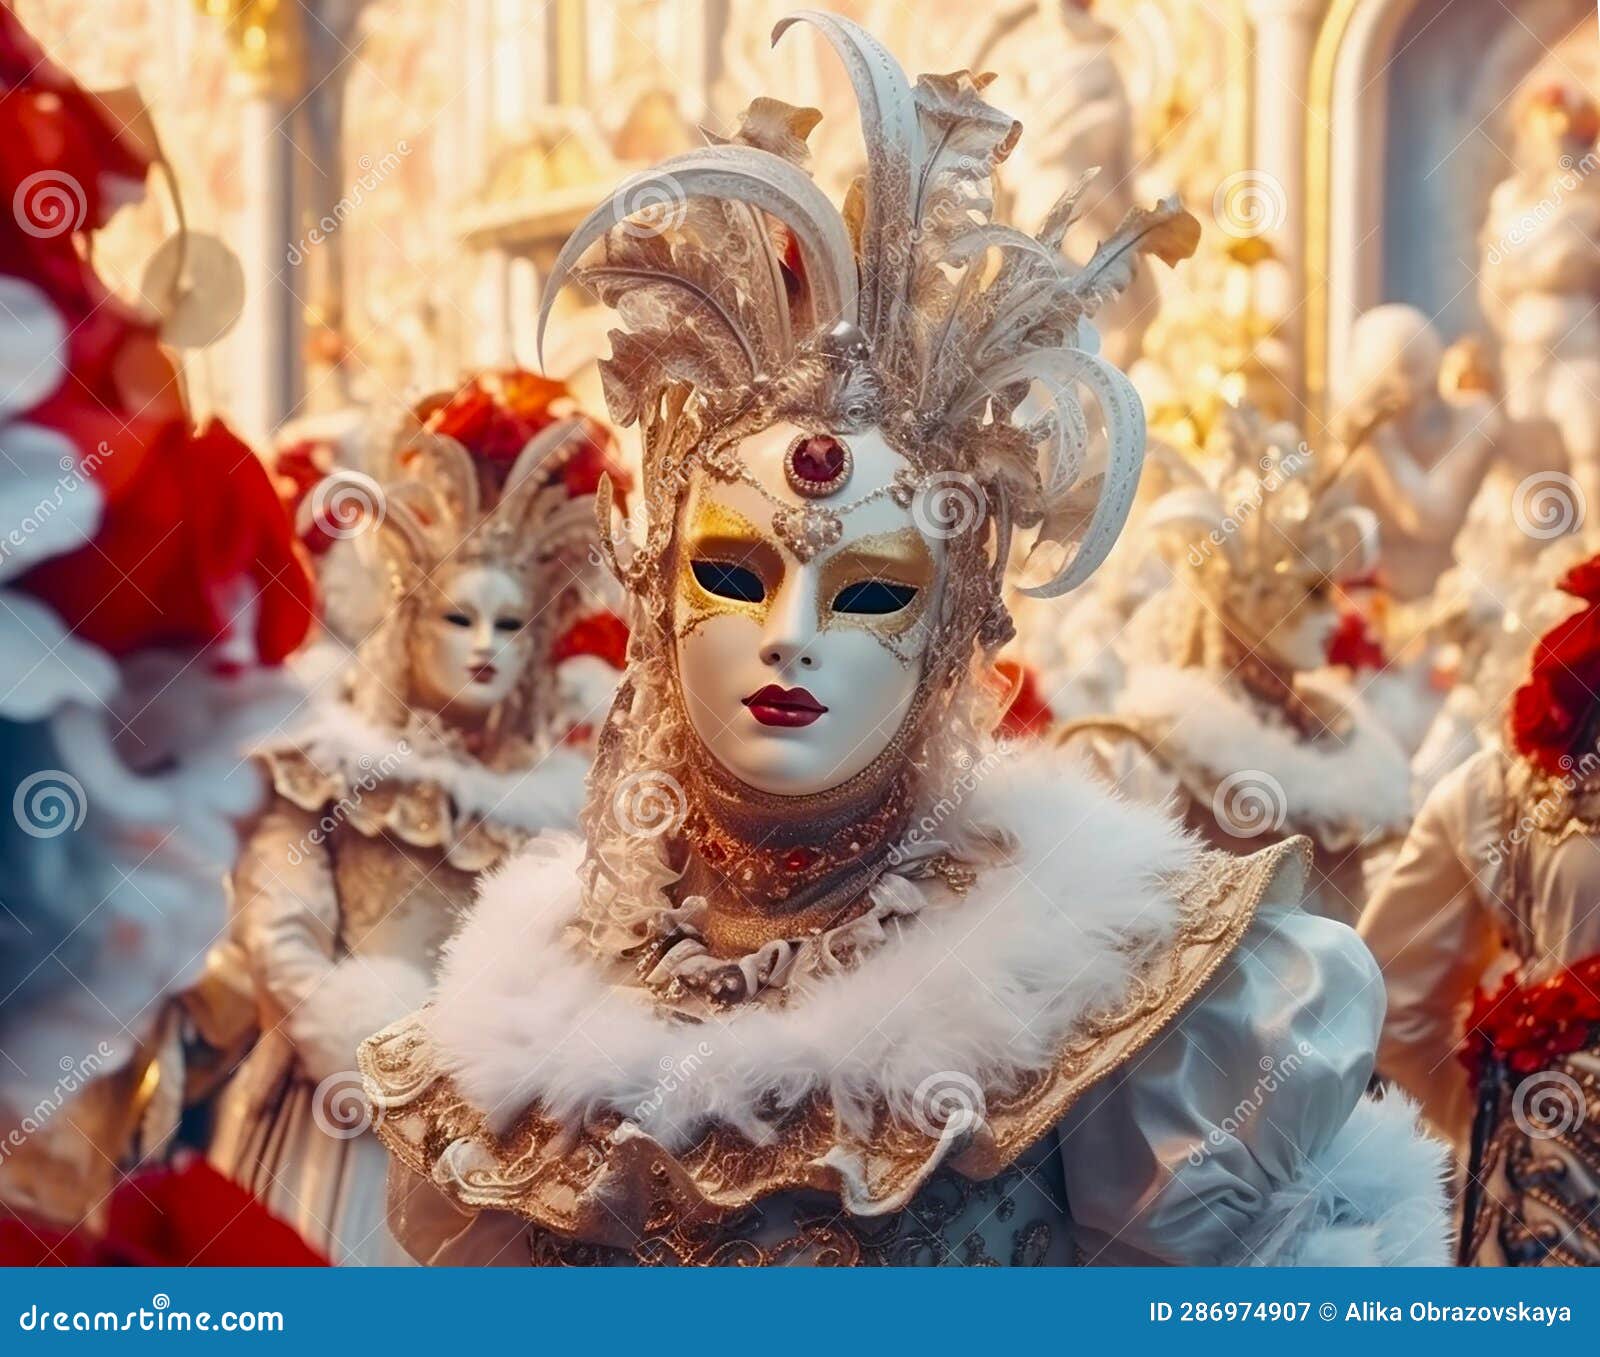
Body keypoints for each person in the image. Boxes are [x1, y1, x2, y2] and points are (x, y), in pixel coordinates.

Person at [361, 13, 1446, 1268]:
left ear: (952, 635)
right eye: (731, 573)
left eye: (870, 591)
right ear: (654, 601)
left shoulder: (1119, 1003)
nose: (790, 638)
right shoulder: (522, 1014)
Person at [208, 376, 623, 1264]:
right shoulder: (331, 767)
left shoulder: (570, 803)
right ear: (410, 619)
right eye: (458, 616)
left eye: (510, 623)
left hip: (502, 1149)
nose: (484, 645)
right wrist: (383, 1066)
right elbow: (280, 932)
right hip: (337, 1122)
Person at [1360, 552, 1600, 1266]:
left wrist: (1475, 1132)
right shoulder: (1492, 787)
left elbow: (1393, 1002)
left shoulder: (1492, 788)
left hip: (1551, 1175)